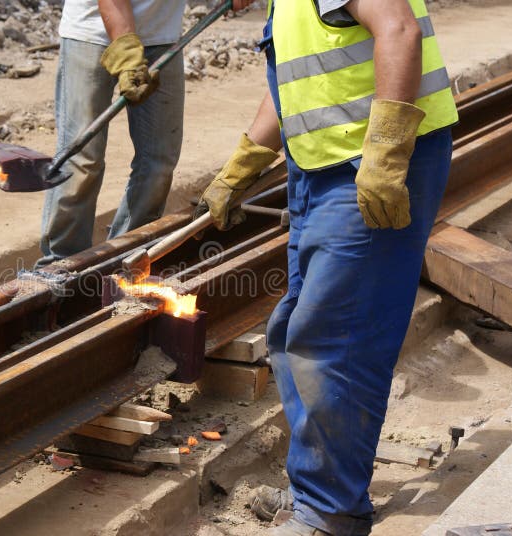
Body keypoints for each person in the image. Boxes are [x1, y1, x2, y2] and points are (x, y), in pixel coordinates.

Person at [196, 0, 458, 534]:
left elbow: (399, 30)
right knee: (297, 328)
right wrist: (244, 162)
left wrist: (385, 156)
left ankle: (329, 510)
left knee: (335, 338)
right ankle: (317, 489)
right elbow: (298, 86)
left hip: (369, 165)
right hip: (321, 169)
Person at [37, 0, 254, 268]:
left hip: (161, 36)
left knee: (158, 161)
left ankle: (125, 259)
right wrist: (127, 55)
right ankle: (60, 265)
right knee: (82, 161)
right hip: (93, 32)